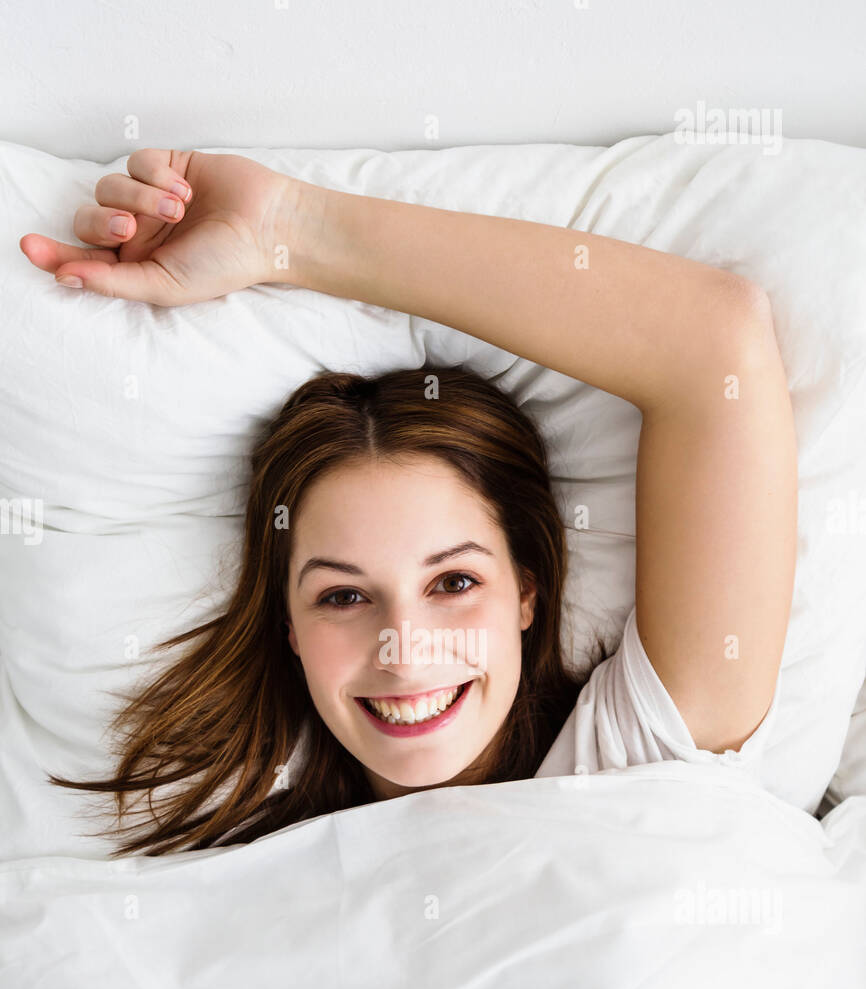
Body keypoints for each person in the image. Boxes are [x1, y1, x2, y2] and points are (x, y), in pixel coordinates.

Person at [18, 148, 797, 855]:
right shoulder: (236, 866)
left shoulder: (634, 762)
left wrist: (289, 226)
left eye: (454, 582)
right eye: (344, 595)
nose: (402, 648)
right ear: (289, 628)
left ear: (526, 589)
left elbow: (714, 341)